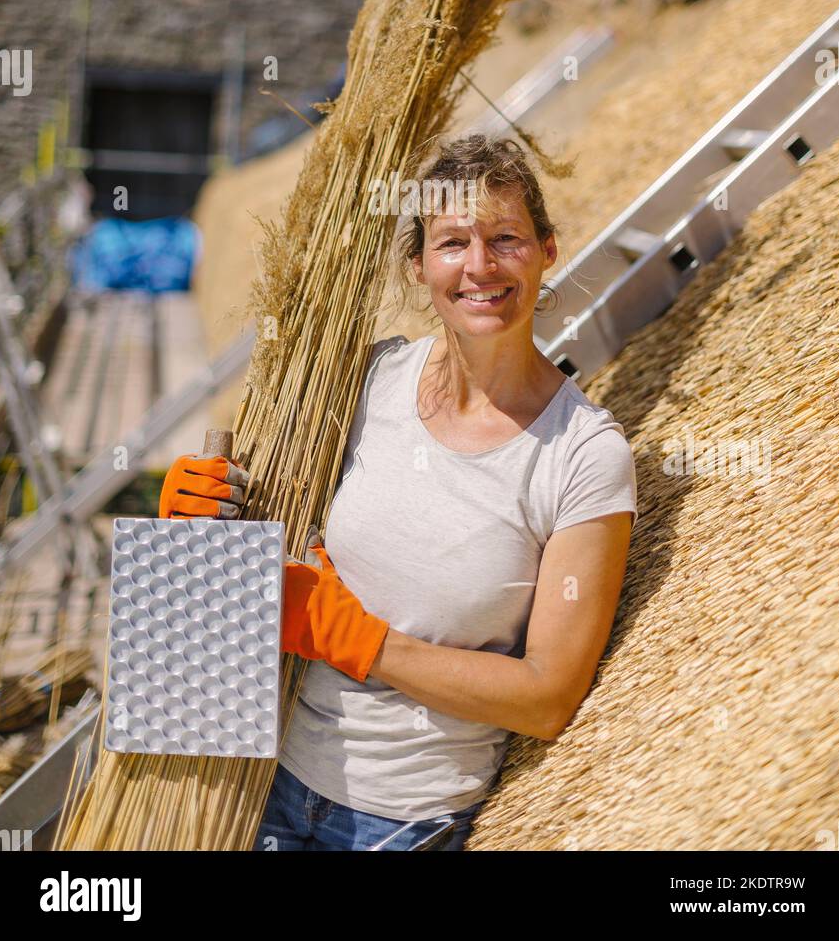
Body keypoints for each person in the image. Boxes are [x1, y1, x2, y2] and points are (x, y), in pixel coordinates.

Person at [159, 134, 639, 851]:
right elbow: (271, 535)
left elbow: (546, 696)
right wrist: (197, 515)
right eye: (452, 243)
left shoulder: (583, 456)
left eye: (505, 238)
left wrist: (354, 639)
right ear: (417, 265)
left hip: (402, 824)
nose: (479, 265)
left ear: (547, 251)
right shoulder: (367, 381)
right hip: (259, 782)